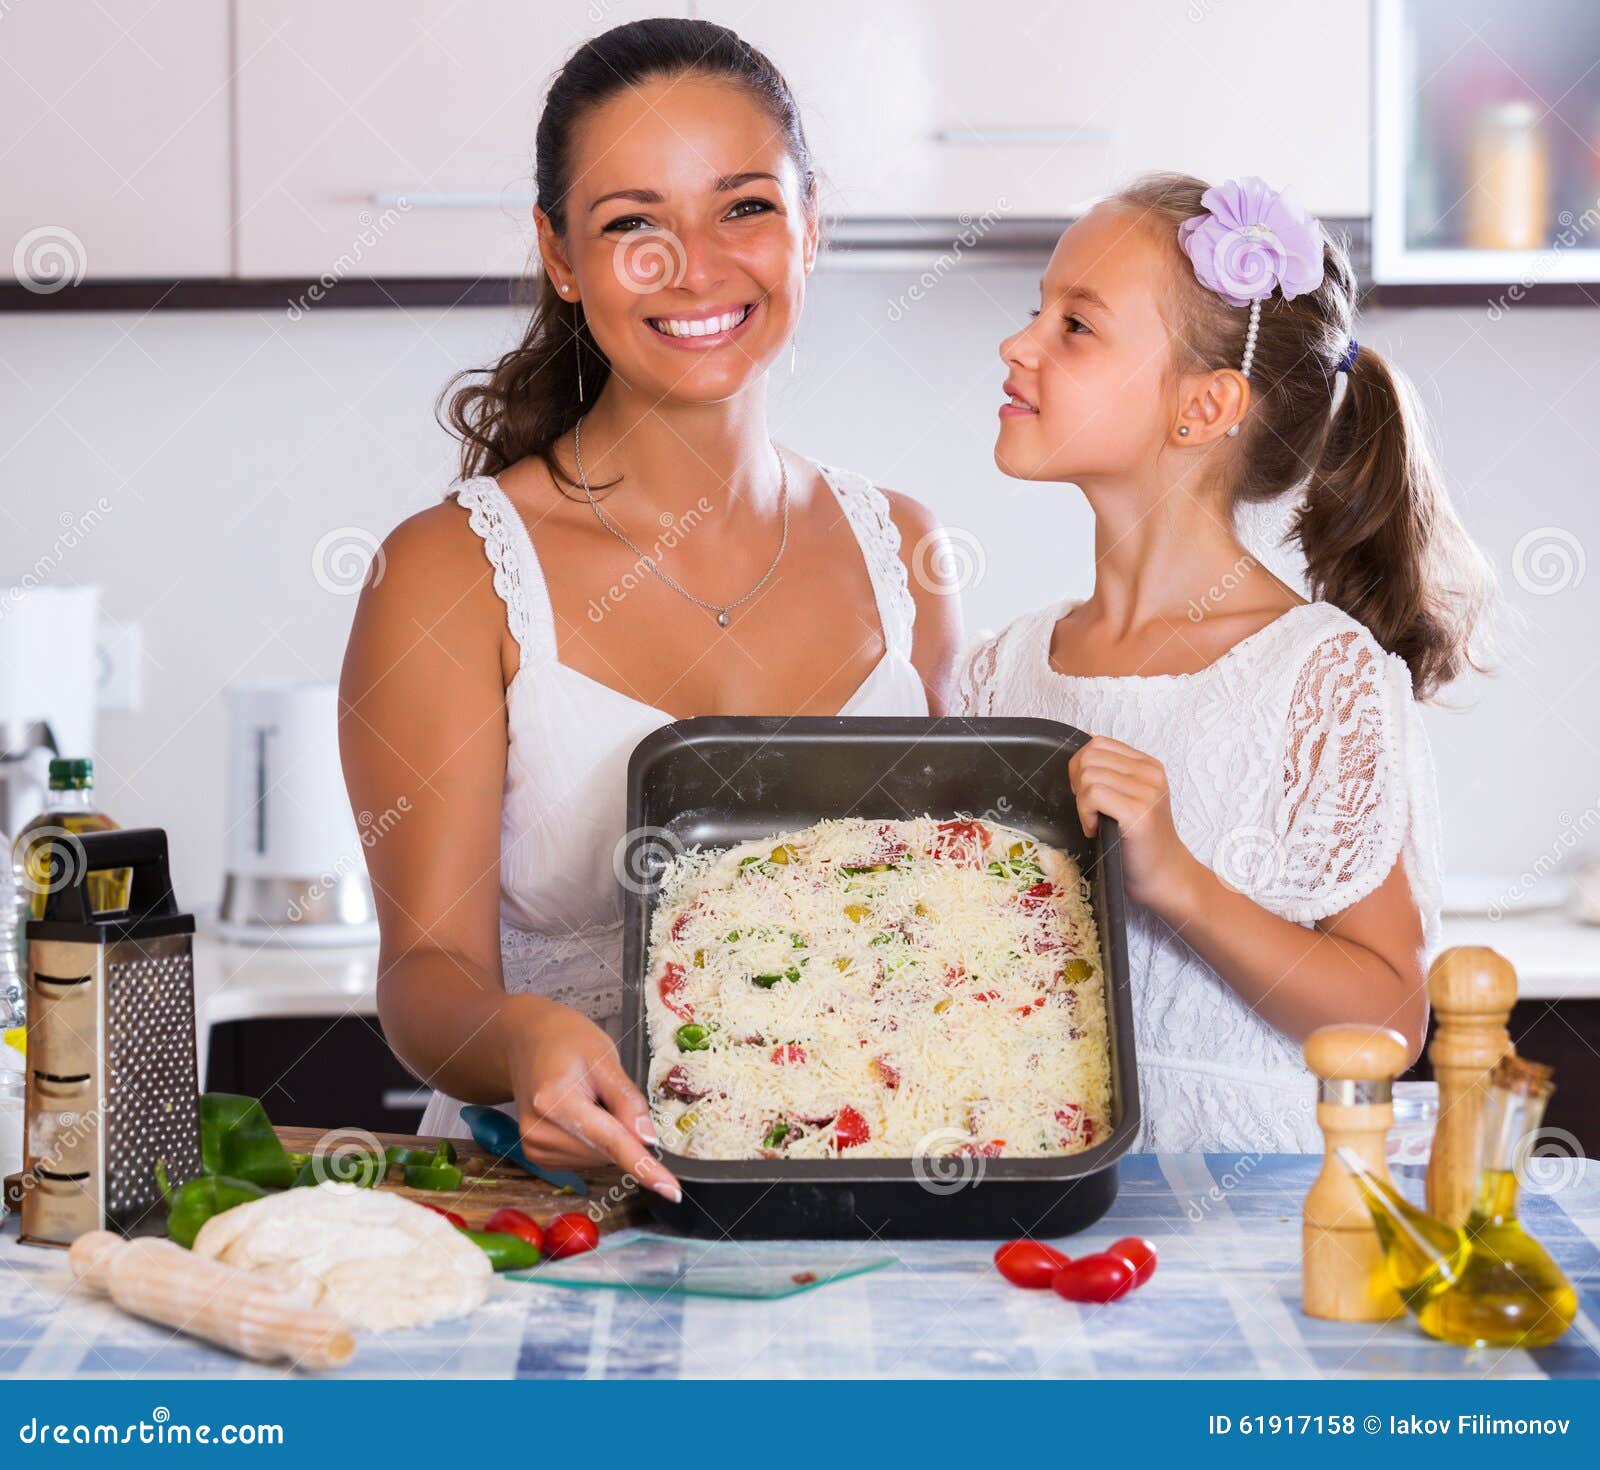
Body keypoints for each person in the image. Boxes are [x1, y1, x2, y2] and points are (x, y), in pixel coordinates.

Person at [340, 18, 962, 1200]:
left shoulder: (909, 552)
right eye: (633, 223)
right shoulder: (448, 572)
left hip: (851, 1188)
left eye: (745, 207)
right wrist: (524, 1039)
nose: (695, 266)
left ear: (811, 224)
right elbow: (426, 972)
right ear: (562, 257)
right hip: (546, 1202)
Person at [958, 173, 1491, 1151]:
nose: (1018, 344)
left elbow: (1384, 1020)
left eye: (1075, 325)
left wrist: (1178, 883)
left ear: (1203, 407)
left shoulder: (1316, 678)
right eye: (1036, 309)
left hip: (1254, 1208)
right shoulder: (1000, 673)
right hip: (1045, 1201)